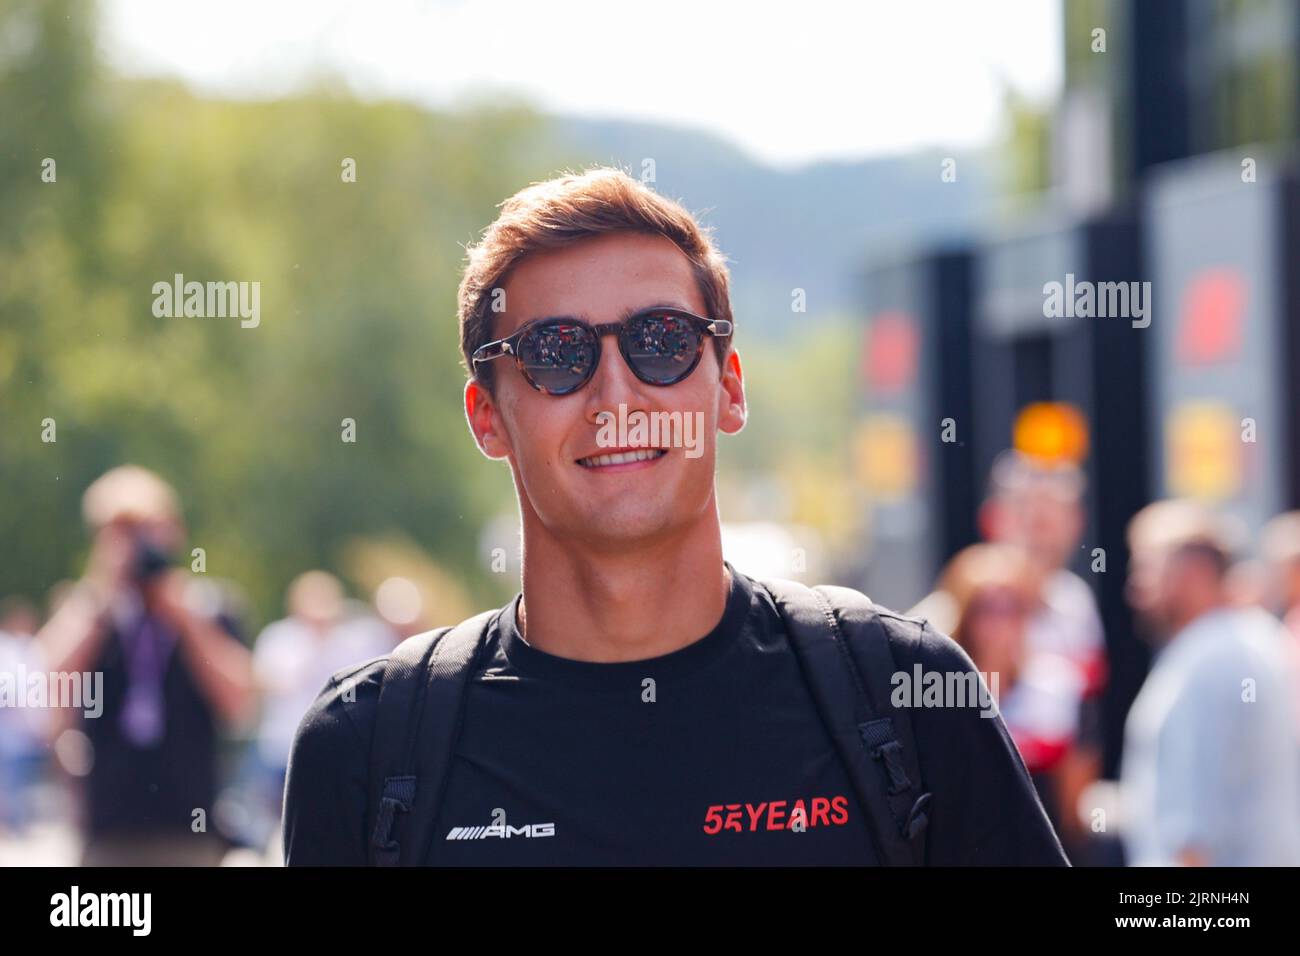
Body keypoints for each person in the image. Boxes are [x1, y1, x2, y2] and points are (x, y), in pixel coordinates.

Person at [283, 166, 1068, 866]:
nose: (618, 397)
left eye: (662, 341)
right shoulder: (369, 748)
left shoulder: (904, 695)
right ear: (487, 416)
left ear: (728, 386)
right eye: (557, 354)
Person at [36, 465, 257, 866]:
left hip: (189, 825)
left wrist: (186, 618)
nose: (138, 545)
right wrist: (99, 596)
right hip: (108, 828)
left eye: (147, 528)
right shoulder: (90, 612)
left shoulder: (211, 607)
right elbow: (47, 682)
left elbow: (240, 702)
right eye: (122, 532)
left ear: (175, 530)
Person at [1120, 499, 1300, 866]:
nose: (1135, 589)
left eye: (1147, 569)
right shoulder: (1248, 638)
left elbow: (1190, 830)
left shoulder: (1210, 661)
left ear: (1195, 573)